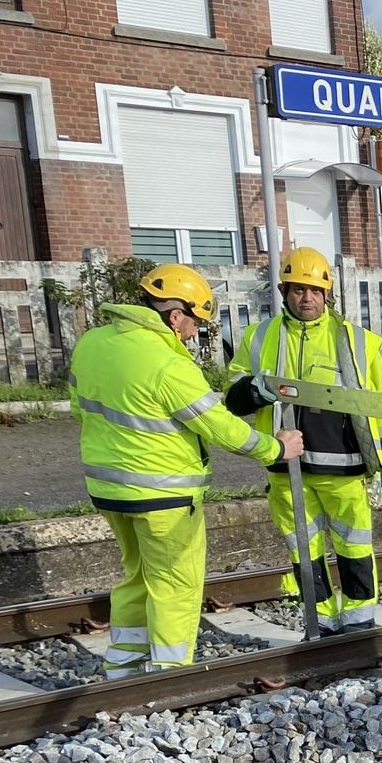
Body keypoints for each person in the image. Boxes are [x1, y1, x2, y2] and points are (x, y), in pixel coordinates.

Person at [69, 264, 303, 677]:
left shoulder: (92, 342)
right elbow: (222, 427)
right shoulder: (167, 363)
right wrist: (275, 448)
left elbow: (79, 407)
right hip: (164, 494)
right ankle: (169, 673)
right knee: (174, 583)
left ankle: (122, 666)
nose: (197, 331)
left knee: (136, 574)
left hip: (107, 488)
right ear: (175, 314)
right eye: (197, 320)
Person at [226, 247, 382, 634]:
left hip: (344, 467)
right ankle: (322, 620)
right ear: (283, 291)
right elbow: (232, 394)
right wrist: (254, 391)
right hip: (284, 466)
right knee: (303, 552)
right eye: (296, 290)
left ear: (326, 294)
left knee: (354, 547)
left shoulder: (356, 341)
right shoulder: (260, 337)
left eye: (313, 290)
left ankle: (359, 620)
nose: (305, 298)